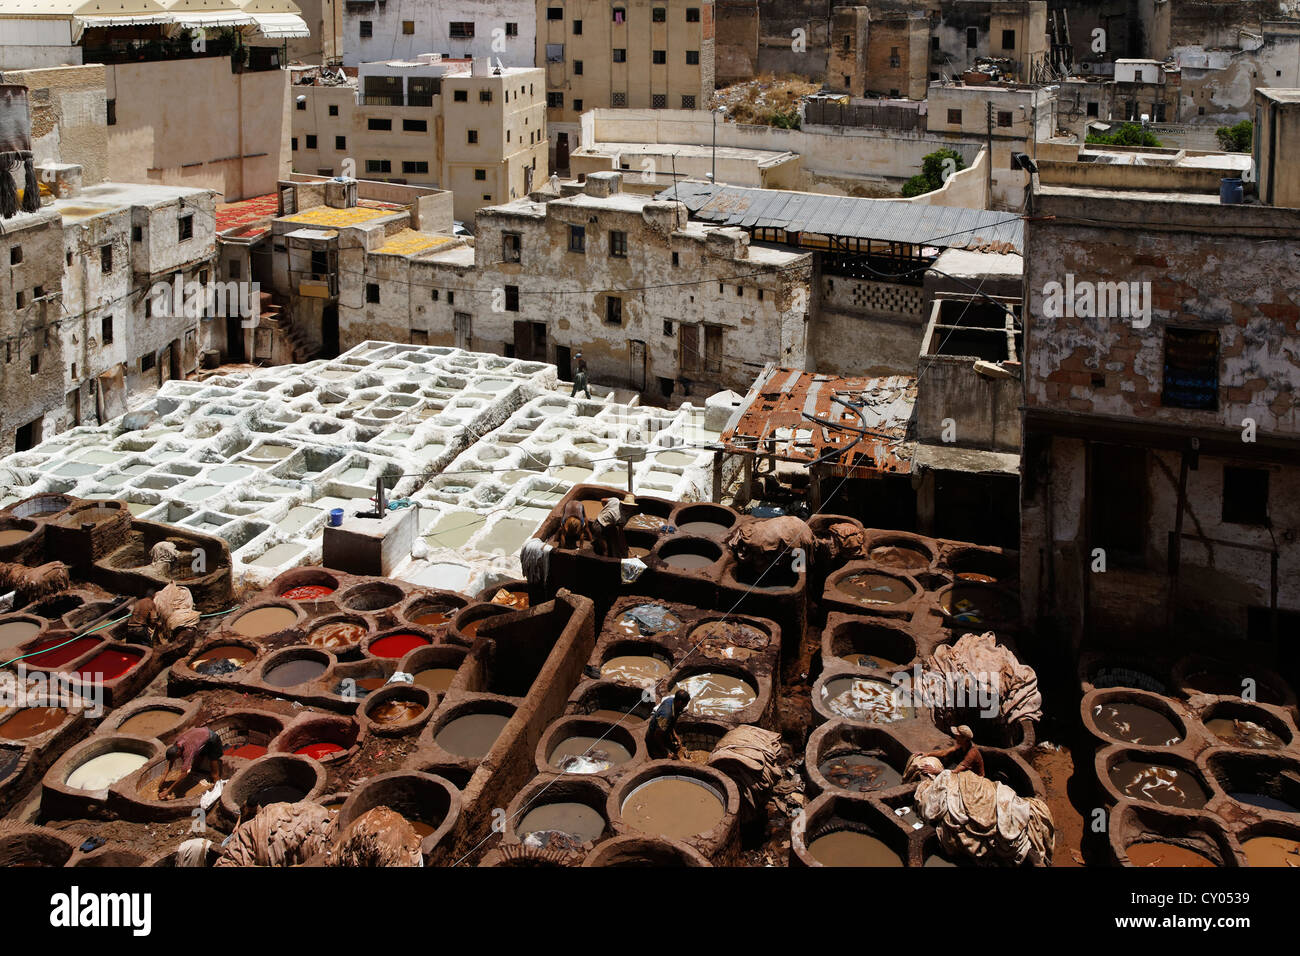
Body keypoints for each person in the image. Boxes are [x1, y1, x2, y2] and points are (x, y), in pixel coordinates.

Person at [157, 726, 224, 799]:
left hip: (212, 738)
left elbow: (184, 774)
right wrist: (163, 778)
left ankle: (217, 789)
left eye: (176, 757)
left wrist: (169, 790)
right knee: (195, 766)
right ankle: (196, 774)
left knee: (214, 768)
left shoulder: (187, 751)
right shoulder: (176, 744)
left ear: (178, 753)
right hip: (201, 736)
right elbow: (170, 761)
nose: (176, 759)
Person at [918, 725, 984, 776]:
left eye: (957, 736)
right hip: (964, 771)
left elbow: (955, 771)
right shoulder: (962, 744)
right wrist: (928, 754)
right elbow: (944, 752)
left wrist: (935, 771)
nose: (955, 737)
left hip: (974, 778)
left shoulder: (972, 753)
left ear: (964, 738)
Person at [646, 688, 691, 759]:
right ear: (679, 702)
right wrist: (666, 752)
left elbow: (670, 724)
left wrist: (675, 735)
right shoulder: (666, 715)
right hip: (653, 737)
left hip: (663, 732)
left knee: (675, 747)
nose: (685, 706)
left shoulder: (671, 701)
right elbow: (657, 735)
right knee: (668, 759)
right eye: (685, 704)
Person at [594, 493, 638, 559]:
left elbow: (602, 500)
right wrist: (624, 546)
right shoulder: (621, 518)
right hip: (599, 528)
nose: (632, 508)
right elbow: (621, 534)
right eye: (631, 506)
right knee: (605, 550)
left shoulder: (615, 500)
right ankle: (605, 562)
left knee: (613, 534)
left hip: (597, 521)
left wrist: (606, 509)